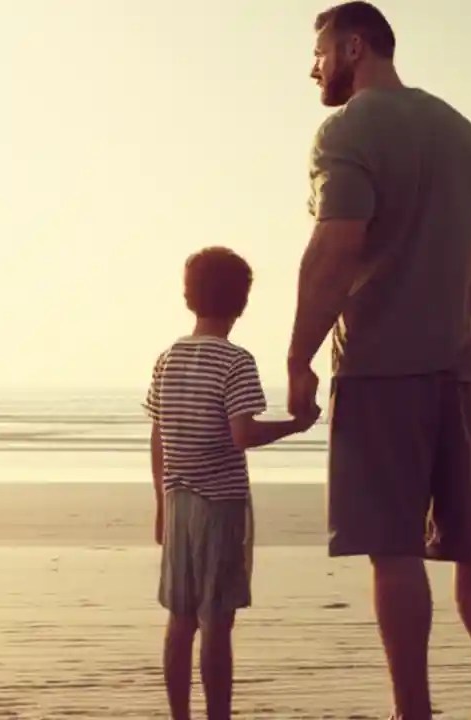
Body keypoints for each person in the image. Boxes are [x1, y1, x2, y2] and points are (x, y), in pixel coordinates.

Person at [284, 3, 471, 719]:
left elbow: (335, 247)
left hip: (381, 364)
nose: (314, 67)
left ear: (355, 46)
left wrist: (298, 357)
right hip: (456, 364)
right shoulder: (468, 134)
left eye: (320, 51)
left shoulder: (347, 130)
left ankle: (413, 710)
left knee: (394, 548)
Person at [144, 247, 320, 720]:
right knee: (216, 623)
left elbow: (159, 435)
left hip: (178, 499)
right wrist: (295, 425)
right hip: (220, 503)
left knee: (180, 620)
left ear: (188, 297)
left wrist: (161, 503)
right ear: (243, 302)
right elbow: (242, 434)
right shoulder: (235, 361)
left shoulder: (168, 359)